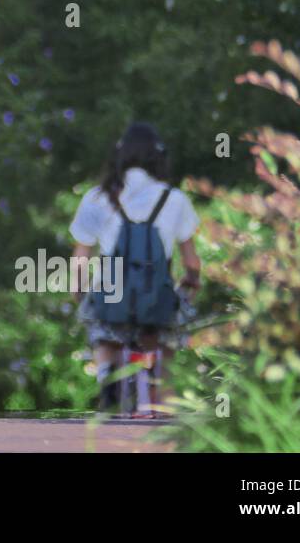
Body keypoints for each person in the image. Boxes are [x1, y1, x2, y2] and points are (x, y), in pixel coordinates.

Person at [68, 122, 202, 412]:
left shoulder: (97, 197)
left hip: (111, 299)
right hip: (158, 304)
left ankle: (106, 371)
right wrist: (189, 286)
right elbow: (192, 264)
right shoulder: (175, 199)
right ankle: (162, 392)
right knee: (171, 325)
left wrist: (79, 293)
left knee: (100, 317)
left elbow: (80, 262)